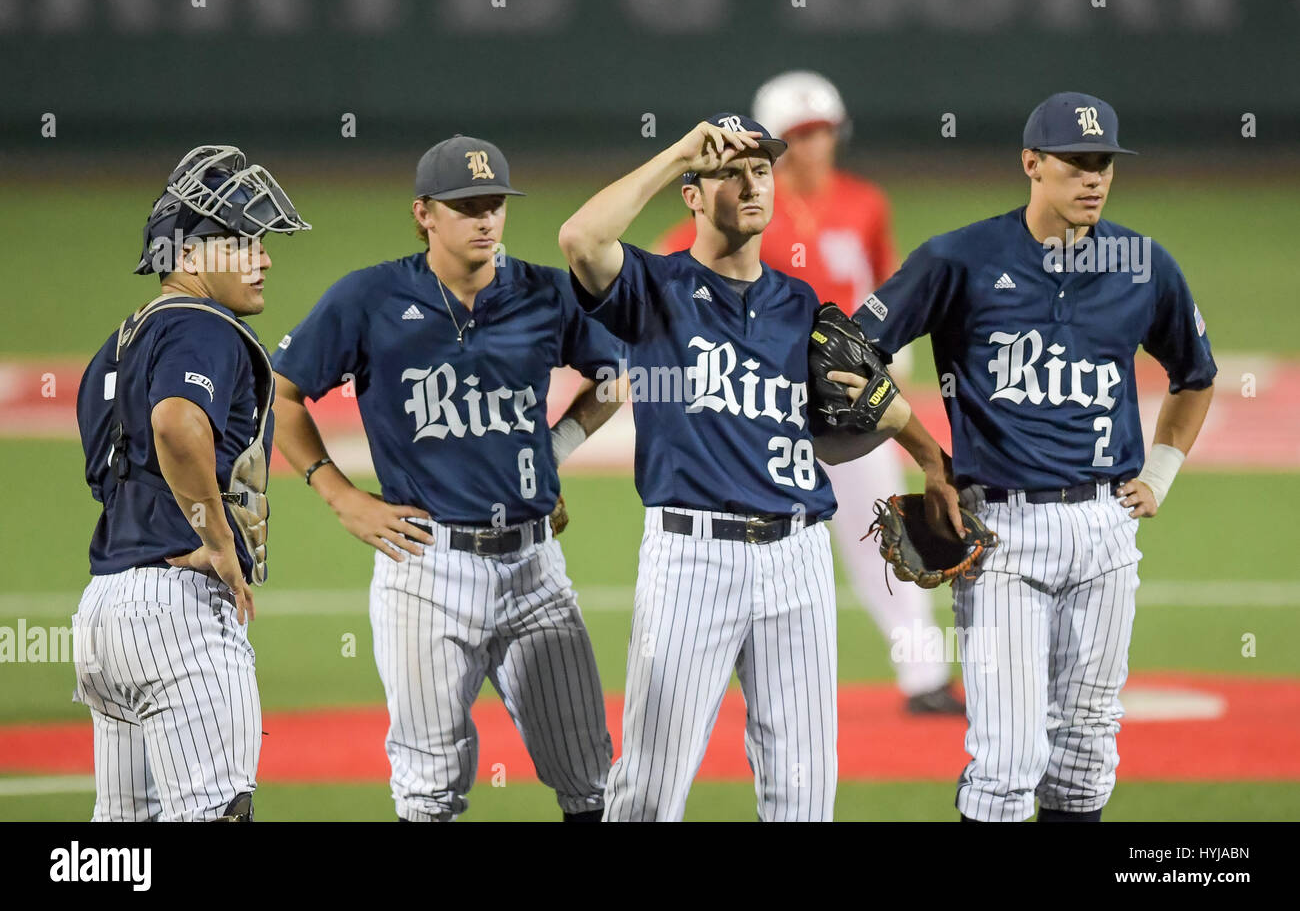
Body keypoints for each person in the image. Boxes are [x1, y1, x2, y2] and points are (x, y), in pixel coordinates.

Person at [559, 113, 962, 821]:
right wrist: (682, 151)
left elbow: (857, 408)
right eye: (730, 170)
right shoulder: (655, 288)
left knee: (804, 796)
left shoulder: (799, 303)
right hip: (692, 561)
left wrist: (930, 456)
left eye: (763, 169)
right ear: (692, 193)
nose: (753, 183)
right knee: (648, 794)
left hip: (798, 559)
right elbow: (581, 238)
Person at [854, 92, 1216, 822]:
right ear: (1031, 164)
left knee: (1084, 762)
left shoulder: (1142, 266)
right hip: (1002, 539)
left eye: (1104, 164)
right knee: (1009, 763)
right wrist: (926, 454)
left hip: (1107, 531)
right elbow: (848, 352)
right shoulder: (960, 259)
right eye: (1076, 163)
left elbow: (1195, 375)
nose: (1094, 179)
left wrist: (1160, 475)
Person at [271, 135, 621, 822]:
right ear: (423, 213)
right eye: (466, 206)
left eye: (494, 203)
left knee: (592, 780)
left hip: (535, 569)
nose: (486, 218)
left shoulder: (546, 293)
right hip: (425, 567)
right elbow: (283, 394)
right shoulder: (370, 298)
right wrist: (339, 495)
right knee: (429, 790)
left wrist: (553, 449)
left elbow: (611, 376)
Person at [657, 72, 961, 714]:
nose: (814, 143)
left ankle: (924, 675)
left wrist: (892, 358)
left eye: (821, 130)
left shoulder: (864, 202)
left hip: (847, 396)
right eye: (799, 134)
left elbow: (888, 279)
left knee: (886, 529)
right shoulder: (734, 208)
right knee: (766, 533)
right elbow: (666, 273)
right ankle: (727, 682)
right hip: (755, 406)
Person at [73, 144, 310, 821]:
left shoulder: (113, 349)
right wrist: (217, 540)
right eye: (243, 241)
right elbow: (178, 425)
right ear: (188, 255)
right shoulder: (202, 326)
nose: (263, 258)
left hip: (105, 612)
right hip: (178, 613)